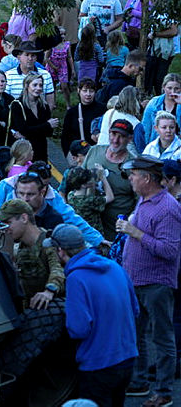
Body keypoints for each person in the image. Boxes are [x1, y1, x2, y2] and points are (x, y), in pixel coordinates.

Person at [47, 223, 138, 407]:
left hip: (98, 366)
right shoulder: (114, 266)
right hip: (127, 359)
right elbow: (135, 310)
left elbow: (78, 329)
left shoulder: (76, 278)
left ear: (61, 251)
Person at [119, 156, 181, 405]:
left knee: (162, 338)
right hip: (136, 281)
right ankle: (139, 382)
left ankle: (164, 393)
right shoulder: (144, 200)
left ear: (147, 178)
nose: (130, 178)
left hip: (156, 284)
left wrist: (135, 232)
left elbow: (169, 250)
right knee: (137, 335)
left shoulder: (168, 208)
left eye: (134, 174)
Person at [0, 167, 105, 248]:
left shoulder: (53, 203)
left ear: (43, 190)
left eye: (31, 194)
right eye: (21, 194)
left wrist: (98, 240)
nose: (25, 199)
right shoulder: (6, 186)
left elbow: (72, 218)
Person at [0, 198, 66, 310]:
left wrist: (49, 291)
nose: (4, 228)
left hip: (53, 308)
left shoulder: (48, 243)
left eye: (8, 223)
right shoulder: (18, 248)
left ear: (24, 218)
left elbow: (58, 270)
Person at [83, 118, 139, 238]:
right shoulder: (94, 151)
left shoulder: (134, 165)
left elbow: (140, 201)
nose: (115, 140)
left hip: (116, 232)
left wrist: (130, 224)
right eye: (113, 134)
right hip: (88, 227)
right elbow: (77, 180)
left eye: (121, 136)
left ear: (130, 139)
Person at [10, 72, 58, 165]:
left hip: (41, 150)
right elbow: (24, 130)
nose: (38, 88)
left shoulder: (43, 105)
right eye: (35, 85)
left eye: (40, 85)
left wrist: (34, 130)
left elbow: (49, 132)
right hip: (25, 153)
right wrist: (47, 125)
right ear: (26, 86)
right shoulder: (17, 105)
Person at [63, 79, 105, 156]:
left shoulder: (102, 110)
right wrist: (68, 155)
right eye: (85, 91)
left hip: (97, 153)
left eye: (91, 91)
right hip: (78, 155)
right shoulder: (72, 112)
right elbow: (65, 136)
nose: (88, 94)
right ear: (79, 91)